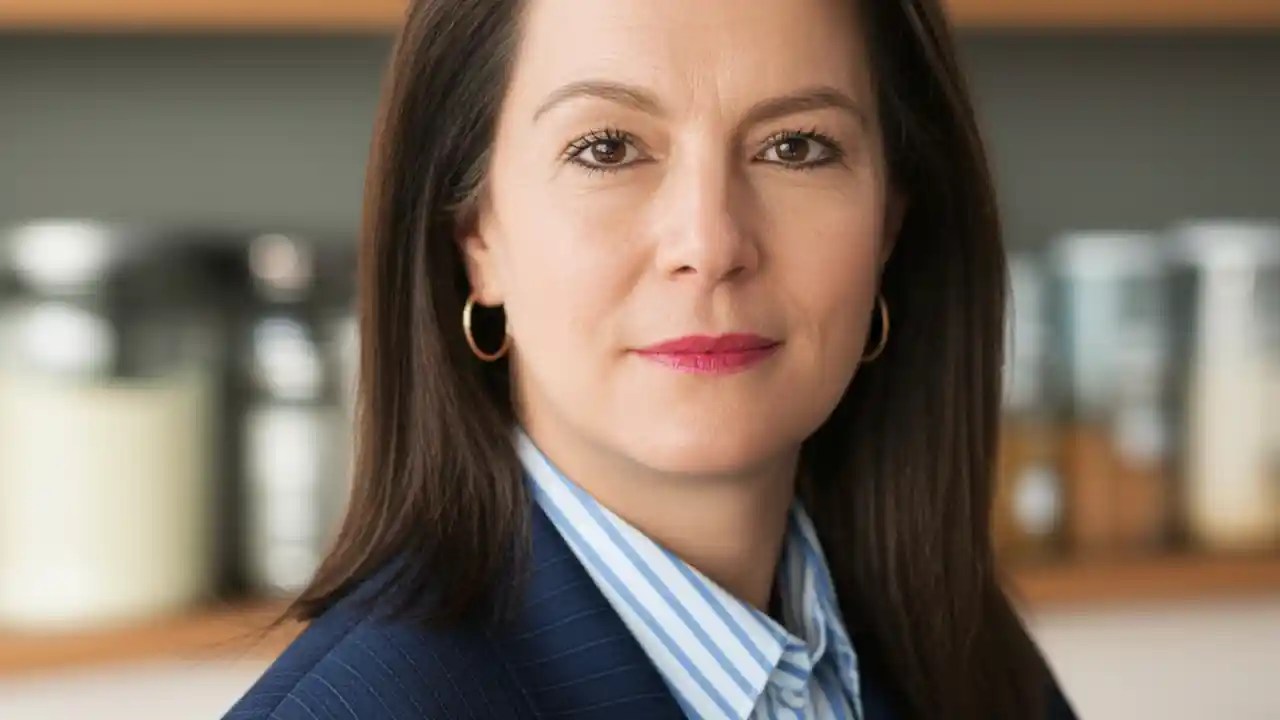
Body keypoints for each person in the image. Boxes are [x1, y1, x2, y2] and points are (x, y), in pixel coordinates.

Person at [224, 0, 1078, 718]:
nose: (710, 245)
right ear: (475, 237)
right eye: (607, 148)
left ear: (889, 227)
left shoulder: (976, 671)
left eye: (795, 147)